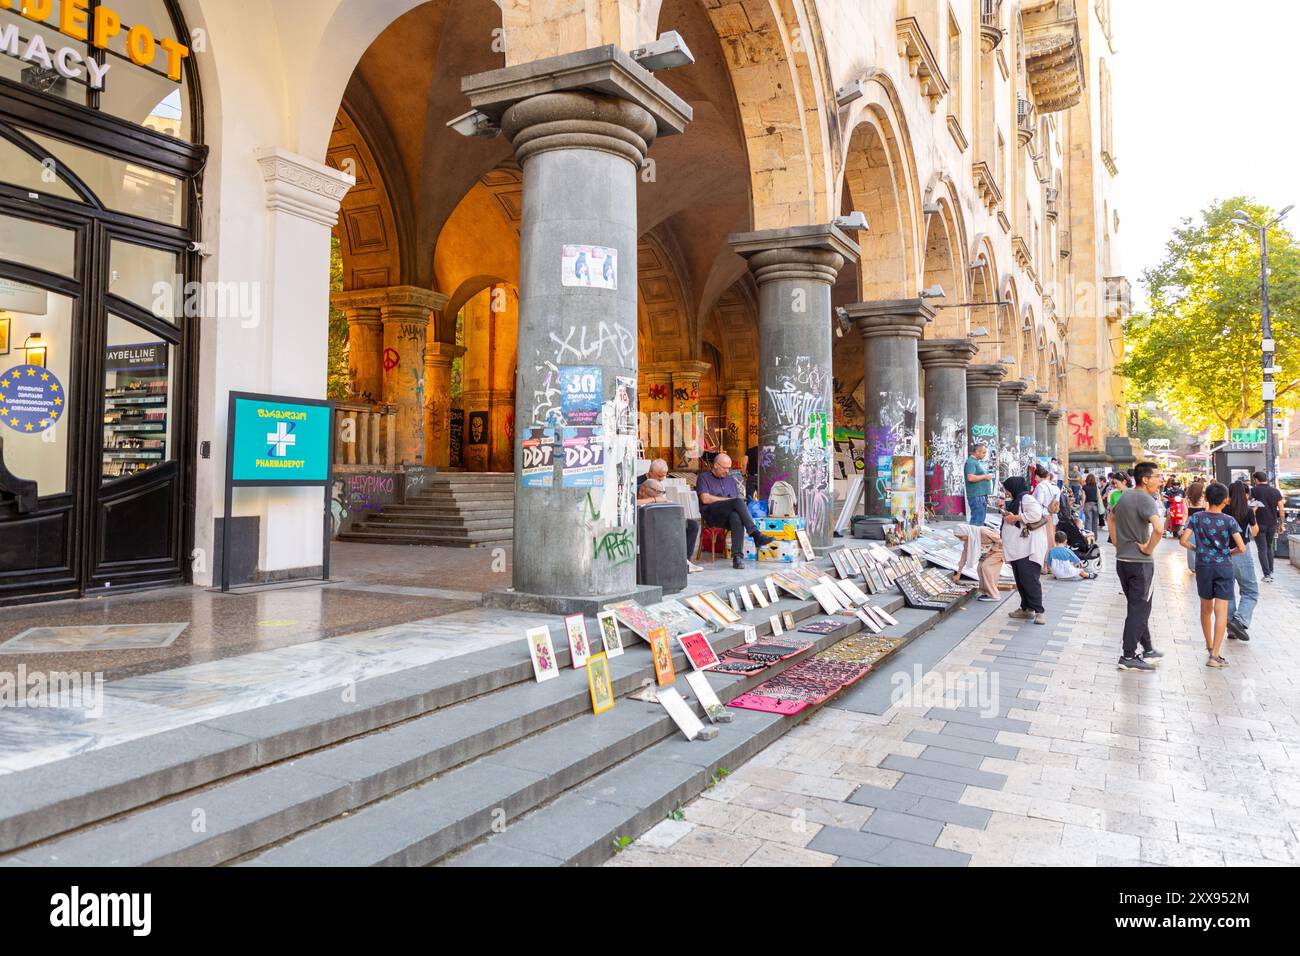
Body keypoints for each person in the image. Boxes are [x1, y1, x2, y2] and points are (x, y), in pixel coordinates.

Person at [1179, 482, 1247, 668]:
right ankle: (1215, 655)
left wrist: (1197, 549)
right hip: (1223, 567)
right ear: (1226, 500)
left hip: (1203, 566)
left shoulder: (1196, 518)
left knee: (1205, 608)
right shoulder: (1229, 521)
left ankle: (1209, 646)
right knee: (1221, 610)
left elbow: (1183, 540)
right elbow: (1241, 547)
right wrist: (1227, 553)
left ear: (1206, 498)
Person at [1109, 461, 1165, 671]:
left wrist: (1116, 542)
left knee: (1136, 607)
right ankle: (1128, 655)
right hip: (1140, 564)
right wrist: (1149, 549)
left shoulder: (1124, 496)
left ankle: (1148, 648)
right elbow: (1159, 529)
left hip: (1122, 562)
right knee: (1139, 609)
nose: (1160, 481)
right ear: (1145, 479)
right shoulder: (1146, 499)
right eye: (1157, 477)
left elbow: (1111, 517)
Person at [696, 452, 775, 569]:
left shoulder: (730, 480)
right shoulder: (704, 477)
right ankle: (755, 534)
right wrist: (728, 500)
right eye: (725, 468)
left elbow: (733, 503)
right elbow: (705, 499)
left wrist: (730, 501)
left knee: (736, 517)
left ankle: (737, 557)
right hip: (711, 514)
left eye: (729, 468)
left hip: (726, 516)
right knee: (738, 502)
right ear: (716, 465)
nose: (728, 471)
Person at [999, 476, 1049, 625]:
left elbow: (1035, 514)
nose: (1006, 492)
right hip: (1019, 547)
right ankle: (1026, 608)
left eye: (1007, 489)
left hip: (1028, 547)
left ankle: (1039, 611)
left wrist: (1016, 517)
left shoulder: (1026, 498)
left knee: (1029, 579)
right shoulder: (1017, 501)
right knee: (1021, 579)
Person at [637, 477, 703, 573]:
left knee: (692, 525)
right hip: (641, 523)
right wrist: (654, 499)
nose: (659, 495)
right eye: (656, 492)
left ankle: (685, 560)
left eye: (661, 493)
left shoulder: (658, 493)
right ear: (643, 490)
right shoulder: (635, 490)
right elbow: (634, 502)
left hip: (658, 519)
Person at [1223, 479, 1258, 642]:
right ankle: (1240, 620)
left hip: (1224, 553)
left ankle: (1231, 627)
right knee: (1250, 590)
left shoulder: (1223, 509)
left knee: (1228, 591)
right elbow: (1255, 532)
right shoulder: (1248, 511)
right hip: (1242, 552)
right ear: (1245, 494)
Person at [1250, 471, 1285, 582]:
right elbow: (1281, 509)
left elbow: (1251, 506)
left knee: (1262, 549)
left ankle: (1266, 575)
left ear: (1256, 480)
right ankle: (1270, 572)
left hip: (1259, 524)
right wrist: (1281, 524)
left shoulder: (1254, 491)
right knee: (1269, 547)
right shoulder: (1275, 491)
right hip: (1272, 524)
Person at [964, 443, 995, 527]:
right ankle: (974, 539)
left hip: (980, 495)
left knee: (980, 519)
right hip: (977, 495)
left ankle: (976, 538)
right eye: (983, 453)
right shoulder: (971, 462)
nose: (985, 455)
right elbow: (970, 478)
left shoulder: (975, 462)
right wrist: (985, 476)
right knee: (977, 520)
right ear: (977, 452)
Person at [1183, 480, 1206, 573]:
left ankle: (1193, 567)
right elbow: (1207, 511)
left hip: (1190, 524)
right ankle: (1202, 563)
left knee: (1190, 545)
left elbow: (1185, 514)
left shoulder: (1186, 500)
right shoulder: (1204, 499)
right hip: (1203, 523)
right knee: (1203, 544)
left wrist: (1182, 526)